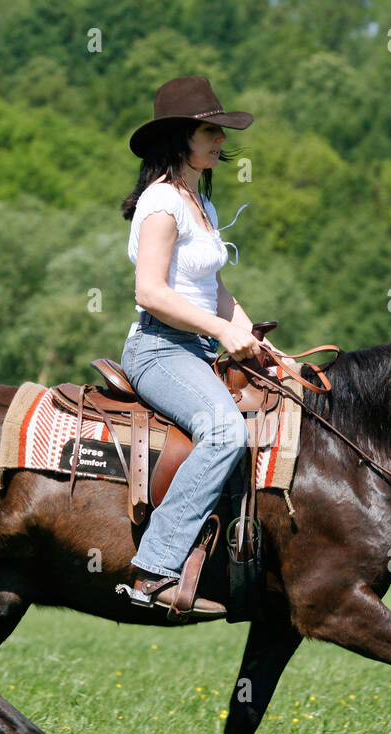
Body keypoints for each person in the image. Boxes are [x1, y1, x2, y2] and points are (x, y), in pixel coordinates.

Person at [118, 75, 262, 617]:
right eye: (210, 131)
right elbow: (150, 292)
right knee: (224, 430)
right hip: (160, 350)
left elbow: (217, 292)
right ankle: (154, 568)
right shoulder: (161, 202)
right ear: (180, 137)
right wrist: (221, 331)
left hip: (200, 346)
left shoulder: (198, 199)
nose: (220, 141)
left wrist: (258, 344)